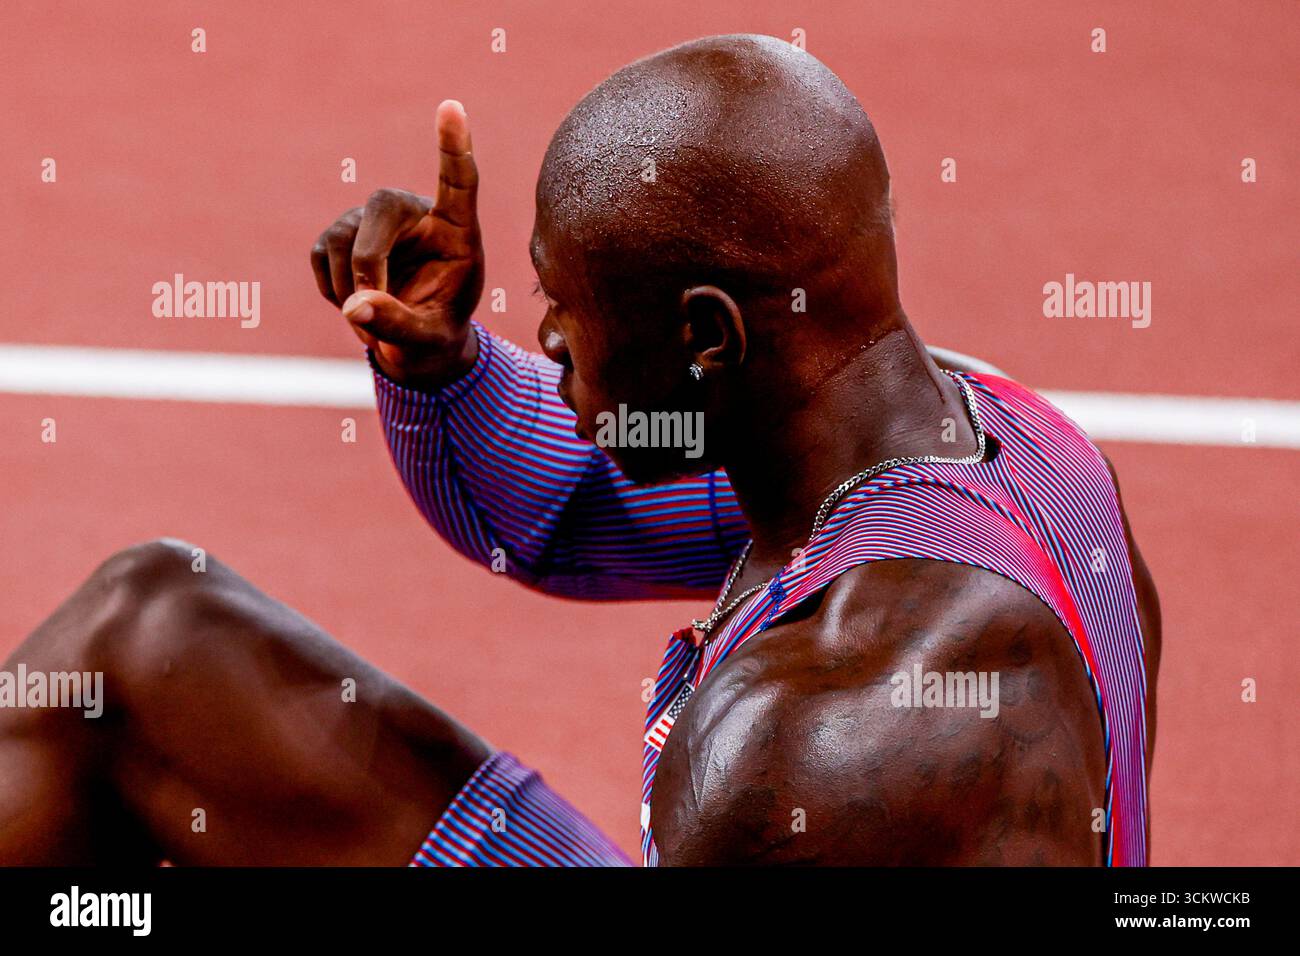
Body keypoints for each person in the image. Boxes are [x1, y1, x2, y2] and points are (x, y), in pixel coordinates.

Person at [0, 34, 1158, 866]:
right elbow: (553, 511)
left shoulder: (836, 739)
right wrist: (443, 364)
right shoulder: (958, 438)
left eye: (562, 305)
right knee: (146, 625)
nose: (541, 333)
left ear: (706, 333)